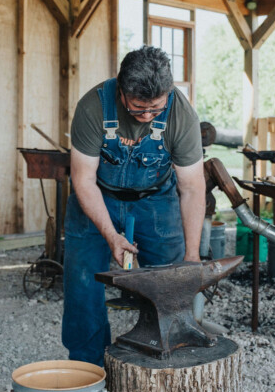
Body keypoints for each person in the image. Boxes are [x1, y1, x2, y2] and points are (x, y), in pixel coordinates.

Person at [63, 46, 205, 366]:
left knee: (171, 284)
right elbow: (83, 179)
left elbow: (192, 187)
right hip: (98, 195)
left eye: (156, 108)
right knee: (83, 286)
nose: (147, 116)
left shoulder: (181, 115)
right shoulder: (93, 107)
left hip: (155, 200)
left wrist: (192, 256)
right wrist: (111, 235)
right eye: (139, 108)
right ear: (122, 90)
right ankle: (89, 368)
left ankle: (167, 362)